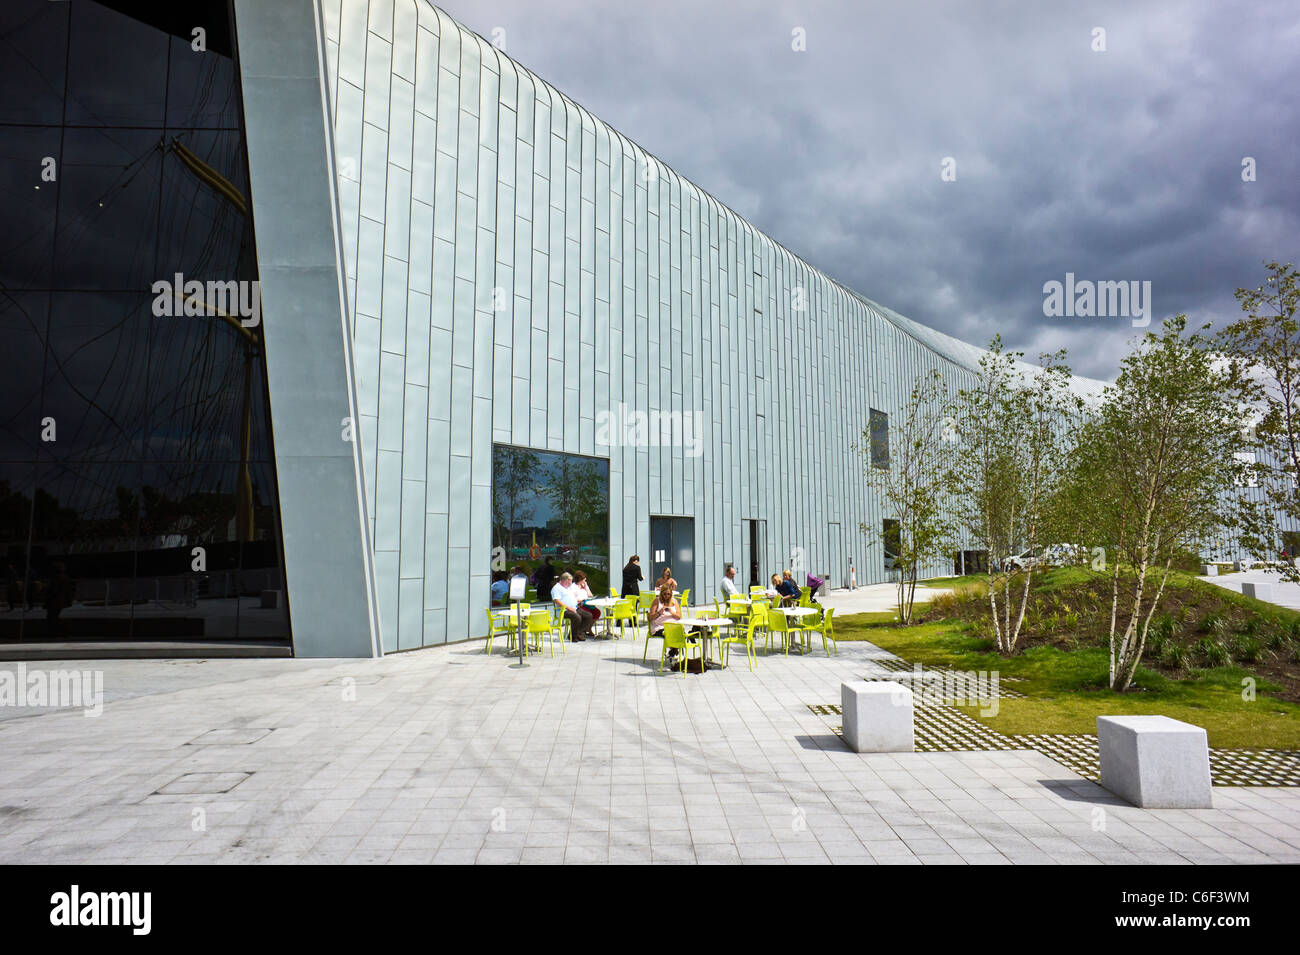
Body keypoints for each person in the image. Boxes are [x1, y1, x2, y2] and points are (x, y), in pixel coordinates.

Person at [647, 581, 684, 665]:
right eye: (664, 594)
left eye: (669, 594)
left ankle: (673, 653)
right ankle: (674, 653)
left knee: (681, 633)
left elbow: (679, 616)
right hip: (659, 627)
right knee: (671, 634)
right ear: (661, 593)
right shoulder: (656, 601)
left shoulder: (674, 601)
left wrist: (672, 612)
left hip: (673, 626)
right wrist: (659, 612)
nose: (666, 596)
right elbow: (650, 617)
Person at [552, 572, 594, 641]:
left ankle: (578, 633)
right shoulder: (557, 588)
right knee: (577, 617)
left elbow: (573, 596)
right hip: (563, 610)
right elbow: (557, 601)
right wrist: (569, 608)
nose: (570, 584)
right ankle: (572, 636)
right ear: (564, 580)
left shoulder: (567, 587)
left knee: (588, 616)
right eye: (569, 582)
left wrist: (578, 601)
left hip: (574, 607)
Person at [44, 562, 74, 639]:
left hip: (55, 601)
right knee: (53, 617)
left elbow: (54, 591)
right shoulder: (64, 578)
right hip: (59, 601)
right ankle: (59, 632)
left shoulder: (57, 578)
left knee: (52, 617)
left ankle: (62, 632)